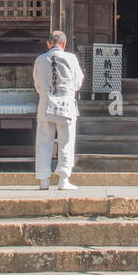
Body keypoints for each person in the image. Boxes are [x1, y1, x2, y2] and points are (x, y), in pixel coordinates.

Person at [33, 29, 84, 191]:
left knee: (43, 141)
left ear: (48, 44)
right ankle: (63, 179)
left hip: (45, 102)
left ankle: (44, 180)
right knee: (66, 142)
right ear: (64, 44)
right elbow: (78, 82)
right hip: (66, 103)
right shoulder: (70, 58)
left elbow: (36, 82)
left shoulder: (40, 60)